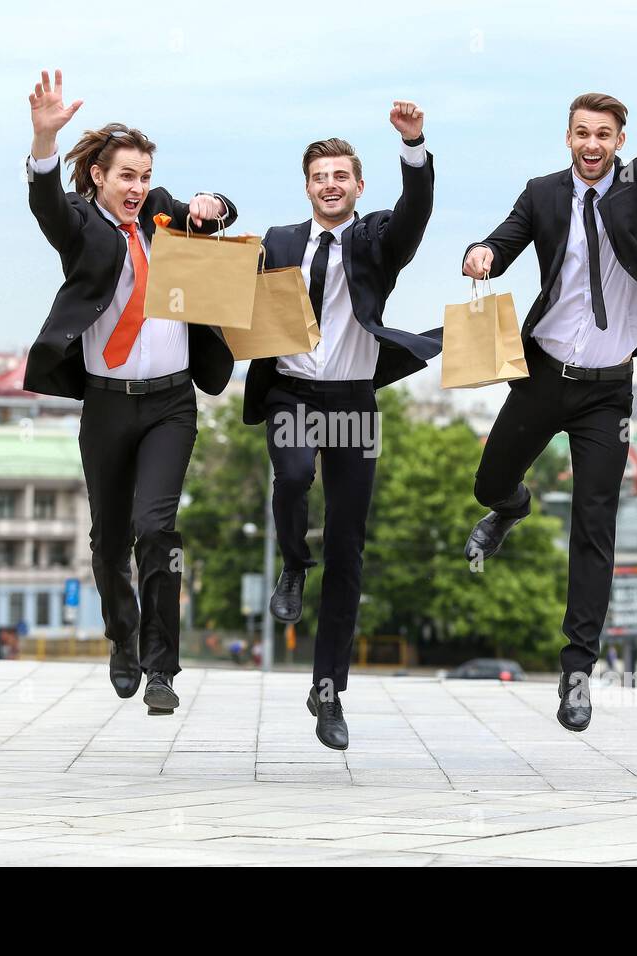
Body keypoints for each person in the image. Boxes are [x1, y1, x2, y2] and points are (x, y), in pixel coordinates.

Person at [461, 44, 637, 733]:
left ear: (619, 141)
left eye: (604, 135)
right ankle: (510, 509)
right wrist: (484, 253)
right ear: (569, 137)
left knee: (594, 524)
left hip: (607, 393)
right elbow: (507, 235)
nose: (592, 144)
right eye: (582, 133)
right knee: (489, 482)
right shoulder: (543, 191)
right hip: (542, 376)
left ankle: (577, 671)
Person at [23, 69, 238, 715]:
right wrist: (42, 141)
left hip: (172, 402)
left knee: (158, 529)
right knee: (110, 540)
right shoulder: (82, 227)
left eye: (145, 176)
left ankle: (163, 668)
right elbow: (45, 204)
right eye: (127, 177)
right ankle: (122, 639)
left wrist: (212, 204)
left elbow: (222, 212)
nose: (138, 188)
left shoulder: (166, 212)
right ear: (99, 177)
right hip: (108, 403)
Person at [245, 102, 441, 750]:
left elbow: (414, 217)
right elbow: (225, 290)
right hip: (292, 393)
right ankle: (292, 565)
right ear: (307, 186)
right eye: (319, 175)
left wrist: (413, 146)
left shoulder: (375, 239)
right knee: (294, 475)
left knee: (350, 550)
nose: (329, 184)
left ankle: (328, 690)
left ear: (358, 186)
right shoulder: (277, 241)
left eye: (341, 176)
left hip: (354, 400)